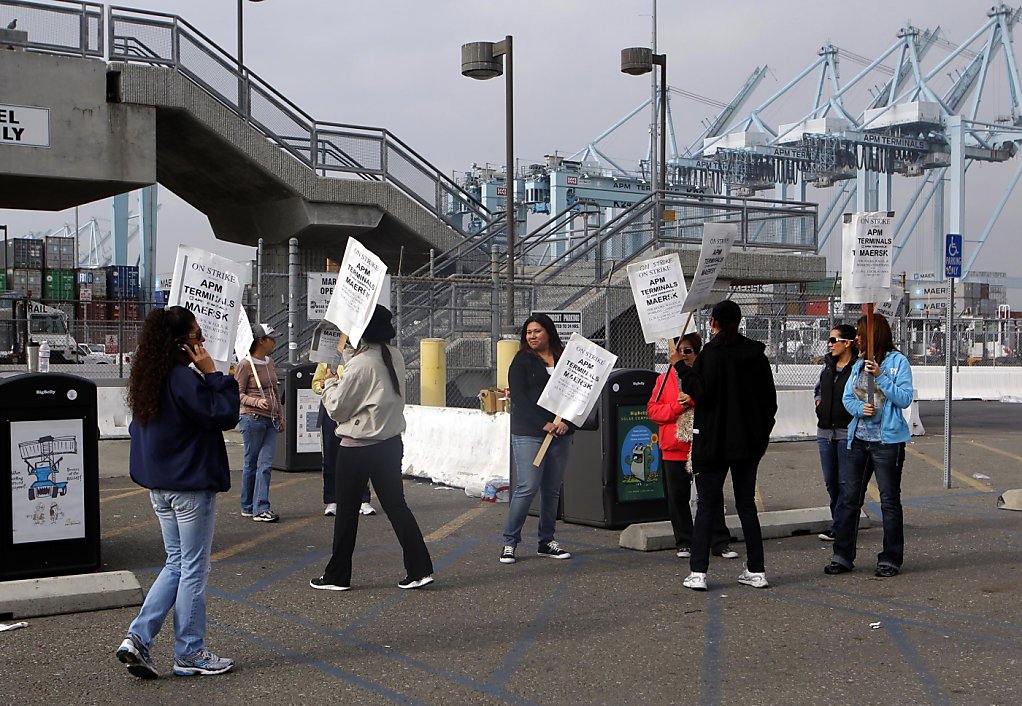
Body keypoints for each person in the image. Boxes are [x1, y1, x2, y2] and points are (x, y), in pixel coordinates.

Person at [115, 306, 240, 678]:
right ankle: (190, 652)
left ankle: (137, 638)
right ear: (182, 343)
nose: (202, 344)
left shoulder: (147, 381)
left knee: (177, 563)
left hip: (161, 486)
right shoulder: (183, 379)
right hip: (189, 486)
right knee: (194, 569)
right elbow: (222, 414)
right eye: (197, 337)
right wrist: (214, 374)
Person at [310, 305, 434, 590]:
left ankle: (337, 575)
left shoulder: (361, 363)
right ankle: (419, 568)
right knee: (396, 506)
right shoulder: (393, 355)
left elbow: (339, 408)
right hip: (389, 444)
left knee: (347, 512)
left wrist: (330, 384)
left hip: (358, 447)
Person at [675, 300, 776, 591]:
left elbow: (701, 391)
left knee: (707, 504)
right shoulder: (757, 355)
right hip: (747, 444)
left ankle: (698, 571)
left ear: (714, 323)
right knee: (746, 505)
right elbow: (769, 402)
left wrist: (682, 368)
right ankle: (756, 570)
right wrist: (761, 437)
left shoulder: (712, 354)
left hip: (713, 441)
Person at [826, 313, 913, 578]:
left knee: (889, 500)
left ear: (876, 335)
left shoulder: (898, 362)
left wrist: (882, 377)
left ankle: (890, 558)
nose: (859, 338)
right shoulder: (858, 364)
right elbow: (848, 398)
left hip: (887, 443)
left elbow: (905, 398)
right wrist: (859, 408)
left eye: (863, 333)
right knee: (850, 499)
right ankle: (842, 555)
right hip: (859, 440)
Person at [647, 333, 736, 560]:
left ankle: (719, 541)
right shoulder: (663, 379)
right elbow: (654, 411)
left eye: (688, 351)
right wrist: (677, 407)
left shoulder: (705, 377)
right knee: (678, 497)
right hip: (673, 447)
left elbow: (714, 402)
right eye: (679, 351)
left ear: (697, 353)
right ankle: (684, 541)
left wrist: (693, 400)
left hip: (702, 445)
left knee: (711, 495)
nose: (683, 355)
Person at [500, 313, 573, 564]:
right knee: (527, 486)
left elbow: (580, 395)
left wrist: (566, 422)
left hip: (561, 433)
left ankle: (546, 541)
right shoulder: (521, 362)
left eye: (537, 331)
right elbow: (518, 399)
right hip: (529, 432)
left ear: (549, 332)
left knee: (552, 490)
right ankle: (510, 541)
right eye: (528, 332)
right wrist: (545, 424)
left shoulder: (566, 358)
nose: (532, 336)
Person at [312, 361, 377, 517]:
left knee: (359, 456)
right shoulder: (327, 360)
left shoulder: (357, 358)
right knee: (330, 457)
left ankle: (363, 499)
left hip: (354, 411)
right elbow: (315, 384)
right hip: (330, 411)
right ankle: (332, 499)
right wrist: (323, 384)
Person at [813, 324, 858, 541]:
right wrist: (819, 403)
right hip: (825, 431)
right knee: (831, 481)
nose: (830, 344)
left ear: (847, 343)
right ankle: (839, 520)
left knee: (844, 481)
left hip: (846, 431)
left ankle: (841, 526)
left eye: (834, 340)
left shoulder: (857, 368)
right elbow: (819, 388)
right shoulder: (828, 366)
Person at [234, 324, 284, 523]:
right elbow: (237, 394)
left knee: (265, 464)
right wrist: (256, 401)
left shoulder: (269, 362)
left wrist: (280, 416)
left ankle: (258, 506)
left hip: (270, 419)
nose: (274, 342)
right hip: (252, 418)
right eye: (271, 338)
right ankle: (250, 505)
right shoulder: (245, 365)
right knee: (252, 463)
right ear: (261, 341)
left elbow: (274, 390)